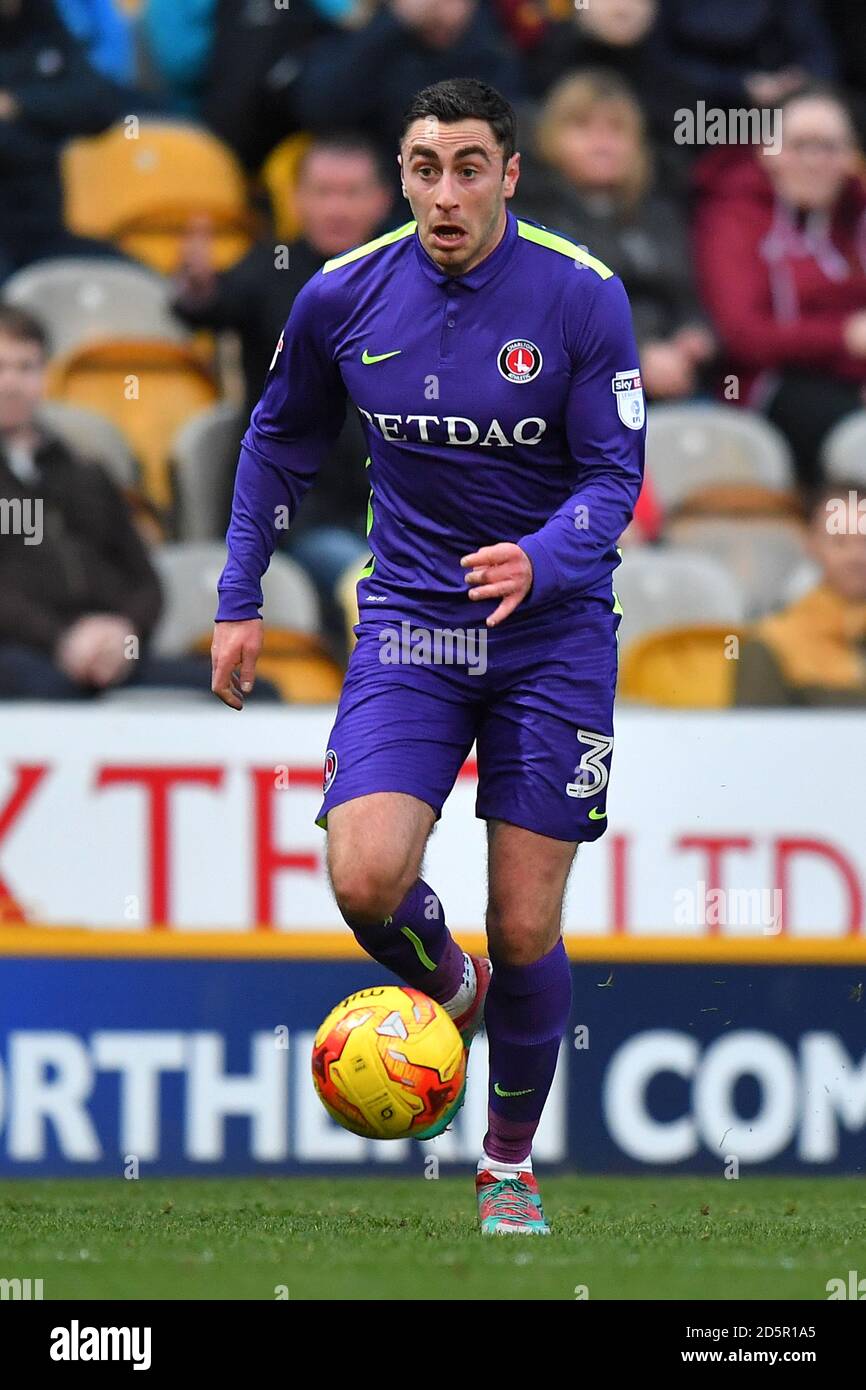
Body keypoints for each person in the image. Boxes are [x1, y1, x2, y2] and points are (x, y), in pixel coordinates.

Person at [211, 79, 645, 1233]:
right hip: (411, 625)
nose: (443, 193)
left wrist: (540, 559)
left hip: (551, 637)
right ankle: (451, 987)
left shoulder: (581, 295)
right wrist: (239, 594)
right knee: (362, 878)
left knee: (525, 925)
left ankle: (504, 1163)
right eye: (422, 168)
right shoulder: (341, 294)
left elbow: (614, 476)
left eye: (466, 168)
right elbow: (278, 439)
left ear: (509, 174)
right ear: (401, 179)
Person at [173, 133, 393, 619]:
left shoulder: (405, 275)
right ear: (297, 199)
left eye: (351, 192)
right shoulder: (272, 267)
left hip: (389, 503)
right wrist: (195, 290)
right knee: (370, 579)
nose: (336, 207)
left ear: (381, 200)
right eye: (323, 192)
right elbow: (211, 307)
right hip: (296, 511)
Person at [0, 306, 223, 701]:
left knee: (244, 688)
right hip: (22, 652)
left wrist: (123, 633)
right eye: (1, 367)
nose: (12, 383)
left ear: (45, 375)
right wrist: (61, 639)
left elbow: (146, 580)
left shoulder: (85, 470)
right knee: (54, 692)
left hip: (109, 652)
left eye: (26, 367)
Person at [693, 85, 866, 487]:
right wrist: (844, 337)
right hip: (767, 386)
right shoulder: (734, 215)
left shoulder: (855, 215)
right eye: (800, 145)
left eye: (831, 147)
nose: (816, 162)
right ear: (767, 150)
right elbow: (741, 335)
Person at [518, 70, 714, 403]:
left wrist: (694, 333)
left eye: (617, 129)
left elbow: (687, 296)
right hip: (576, 391)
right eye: (583, 127)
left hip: (678, 379)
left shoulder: (660, 212)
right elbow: (553, 313)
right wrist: (636, 353)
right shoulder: (531, 220)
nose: (603, 144)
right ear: (549, 138)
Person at [0, 0, 143, 285]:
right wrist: (48, 124)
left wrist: (18, 105)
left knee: (139, 284)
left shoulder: (41, 20)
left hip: (44, 235)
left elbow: (101, 105)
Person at [294, 0, 523, 161]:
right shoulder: (366, 41)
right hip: (381, 194)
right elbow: (319, 107)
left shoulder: (492, 50)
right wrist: (395, 21)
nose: (435, 8)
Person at [735, 479, 866, 707]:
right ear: (812, 544)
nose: (855, 557)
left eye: (864, 542)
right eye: (840, 542)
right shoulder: (773, 643)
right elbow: (755, 728)